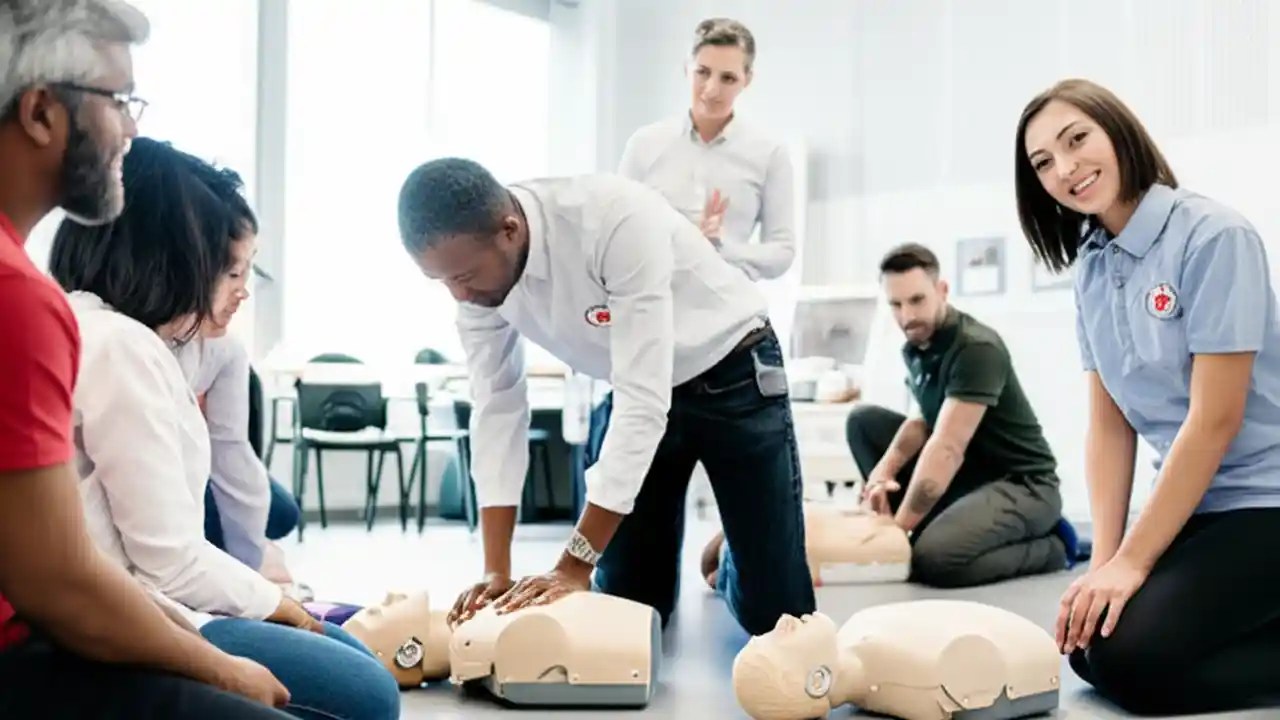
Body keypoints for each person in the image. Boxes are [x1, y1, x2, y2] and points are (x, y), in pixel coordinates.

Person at [0, 2, 293, 717]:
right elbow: (60, 584)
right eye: (118, 101)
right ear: (41, 112)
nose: (131, 128)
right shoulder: (23, 301)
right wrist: (224, 668)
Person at [47, 136, 400, 720]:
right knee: (366, 694)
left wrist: (266, 591)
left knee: (353, 661)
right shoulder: (120, 345)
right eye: (224, 265)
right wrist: (276, 604)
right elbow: (168, 560)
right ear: (169, 253)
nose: (239, 285)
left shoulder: (125, 335)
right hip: (141, 612)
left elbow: (231, 470)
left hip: (149, 597)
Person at [397, 158, 815, 637]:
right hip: (637, 383)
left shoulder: (614, 219)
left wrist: (575, 563)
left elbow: (643, 398)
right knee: (630, 608)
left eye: (465, 276)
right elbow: (497, 408)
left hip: (733, 370)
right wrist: (497, 570)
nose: (459, 295)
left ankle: (736, 550)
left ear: (509, 231)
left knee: (779, 619)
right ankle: (742, 540)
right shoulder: (476, 288)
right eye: (442, 281)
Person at [1018, 78, 1280, 716]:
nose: (1066, 168)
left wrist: (1134, 564)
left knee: (1132, 663)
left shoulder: (1215, 236)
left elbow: (1213, 421)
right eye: (1043, 163)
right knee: (1089, 641)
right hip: (1198, 506)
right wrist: (1105, 562)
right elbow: (1108, 428)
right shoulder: (1091, 266)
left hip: (1266, 498)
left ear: (1118, 130)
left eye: (1077, 139)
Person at [845, 243, 1077, 587]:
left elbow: (946, 448)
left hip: (1024, 485)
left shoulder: (975, 348)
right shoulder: (917, 344)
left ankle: (1053, 546)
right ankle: (935, 523)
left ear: (942, 291)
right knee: (862, 422)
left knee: (932, 559)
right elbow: (921, 420)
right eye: (896, 304)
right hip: (970, 476)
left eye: (917, 300)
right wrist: (882, 473)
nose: (907, 316)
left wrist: (899, 531)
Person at [165, 176, 302, 584]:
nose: (244, 292)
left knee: (279, 512)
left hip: (202, 463)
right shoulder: (137, 345)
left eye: (248, 273)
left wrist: (253, 565)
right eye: (232, 275)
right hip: (167, 479)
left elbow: (232, 450)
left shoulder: (224, 349)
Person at [617, 17, 794, 282]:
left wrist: (723, 248)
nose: (712, 90)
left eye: (728, 78)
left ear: (747, 79)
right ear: (686, 69)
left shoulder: (770, 154)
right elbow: (616, 234)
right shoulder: (644, 144)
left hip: (731, 310)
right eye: (703, 72)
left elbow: (782, 251)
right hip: (655, 305)